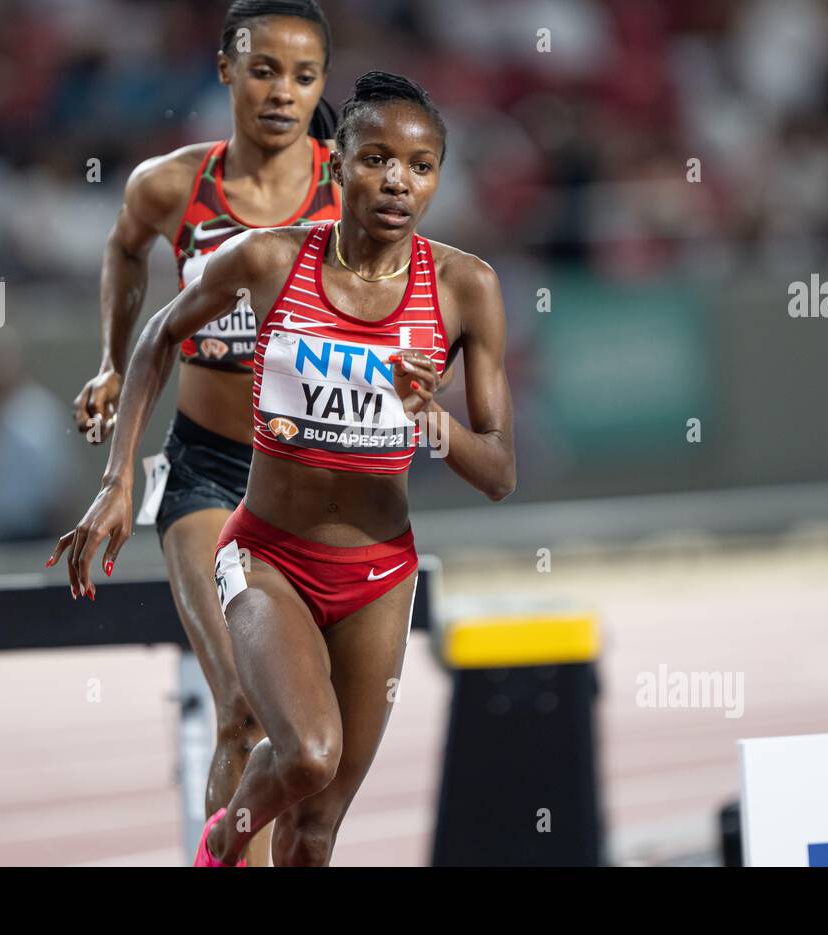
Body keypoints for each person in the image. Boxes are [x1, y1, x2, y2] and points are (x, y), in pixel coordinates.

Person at [49, 71, 515, 867]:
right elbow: (160, 333)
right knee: (304, 753)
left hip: (378, 573)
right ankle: (217, 851)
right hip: (267, 554)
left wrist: (430, 416)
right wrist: (118, 479)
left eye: (421, 165)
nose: (398, 180)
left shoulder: (465, 287)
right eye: (375, 159)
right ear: (336, 168)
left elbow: (499, 470)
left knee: (317, 829)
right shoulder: (267, 259)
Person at [68, 0, 339, 867]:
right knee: (241, 708)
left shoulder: (355, 189)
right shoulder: (171, 185)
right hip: (206, 472)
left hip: (314, 484)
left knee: (312, 751)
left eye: (303, 77)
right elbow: (125, 249)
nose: (281, 93)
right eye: (263, 70)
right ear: (226, 70)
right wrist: (112, 364)